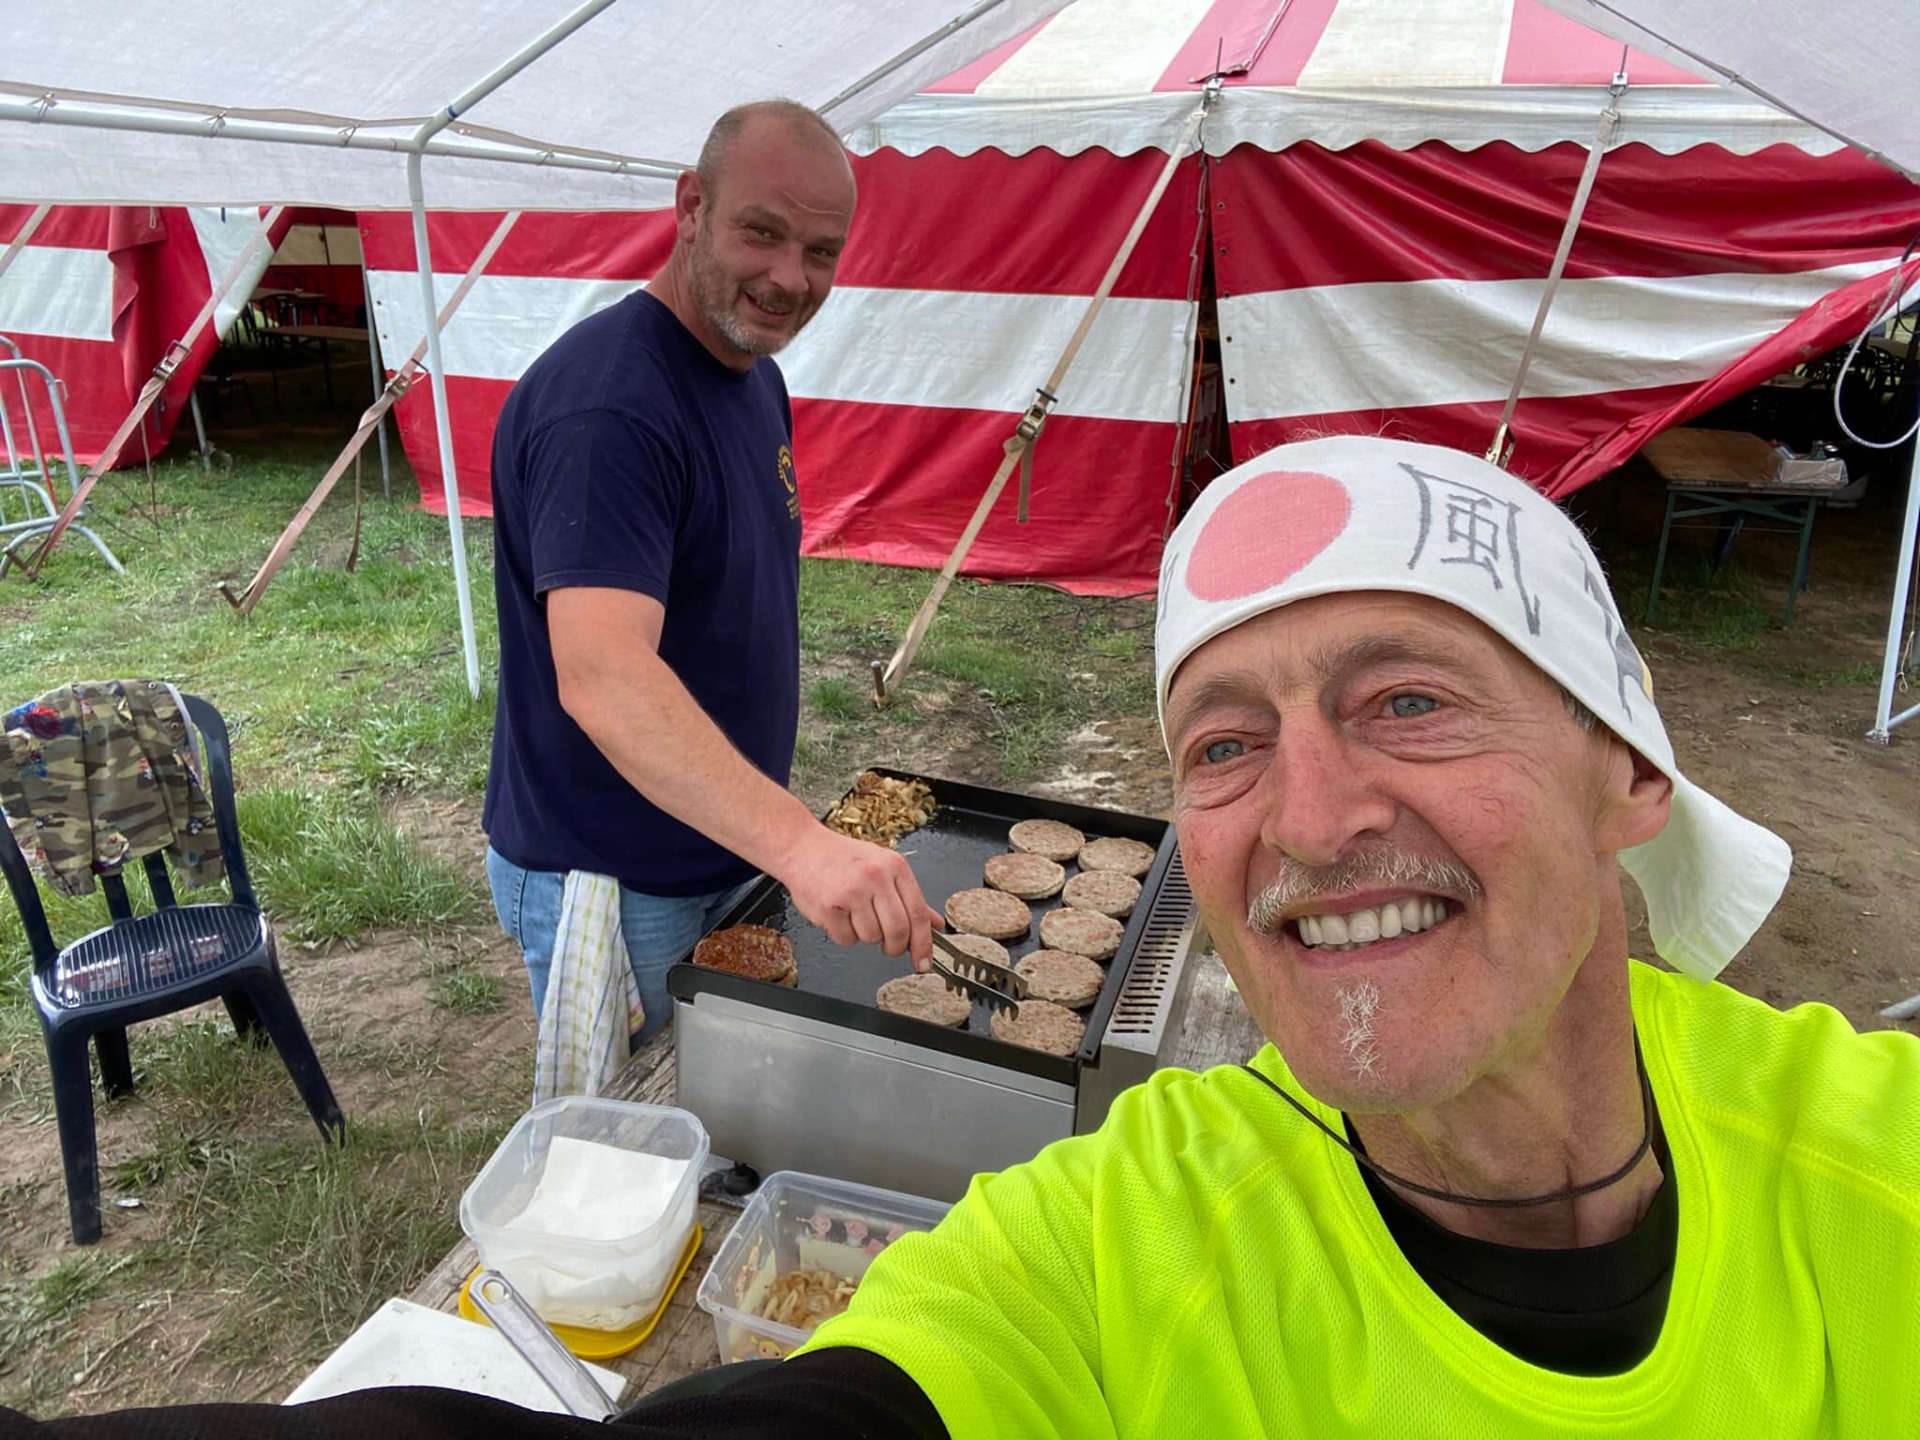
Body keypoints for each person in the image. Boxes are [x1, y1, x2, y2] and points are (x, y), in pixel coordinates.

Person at [9, 438, 1915, 1438]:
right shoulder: (1122, 1223)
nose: (1315, 816)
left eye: (1411, 699)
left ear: (1629, 775)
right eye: (1226, 745)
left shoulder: (1877, 1171)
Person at [481, 99, 938, 1042]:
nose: (789, 278)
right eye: (761, 233)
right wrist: (802, 846)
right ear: (691, 205)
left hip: (718, 843)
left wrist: (768, 839)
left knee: (719, 1125)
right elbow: (603, 674)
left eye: (820, 251)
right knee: (638, 1148)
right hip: (614, 875)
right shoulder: (609, 409)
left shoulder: (748, 370)